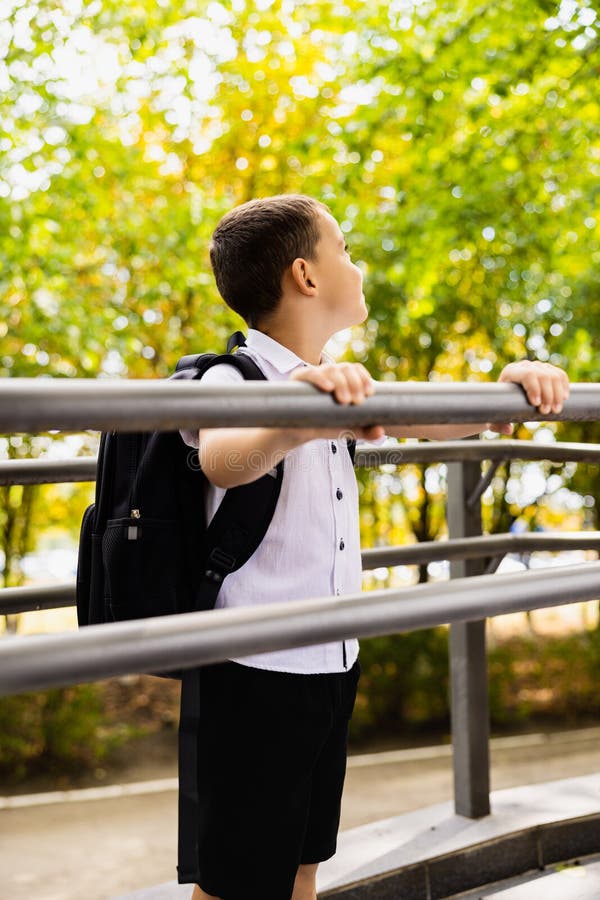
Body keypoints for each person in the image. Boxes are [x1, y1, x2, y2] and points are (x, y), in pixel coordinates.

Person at [177, 194, 570, 900]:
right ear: (306, 276)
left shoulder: (341, 380)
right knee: (232, 878)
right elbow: (222, 460)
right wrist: (299, 413)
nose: (356, 266)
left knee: (303, 861)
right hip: (254, 670)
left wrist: (511, 385)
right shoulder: (232, 376)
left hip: (333, 660)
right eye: (346, 250)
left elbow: (439, 424)